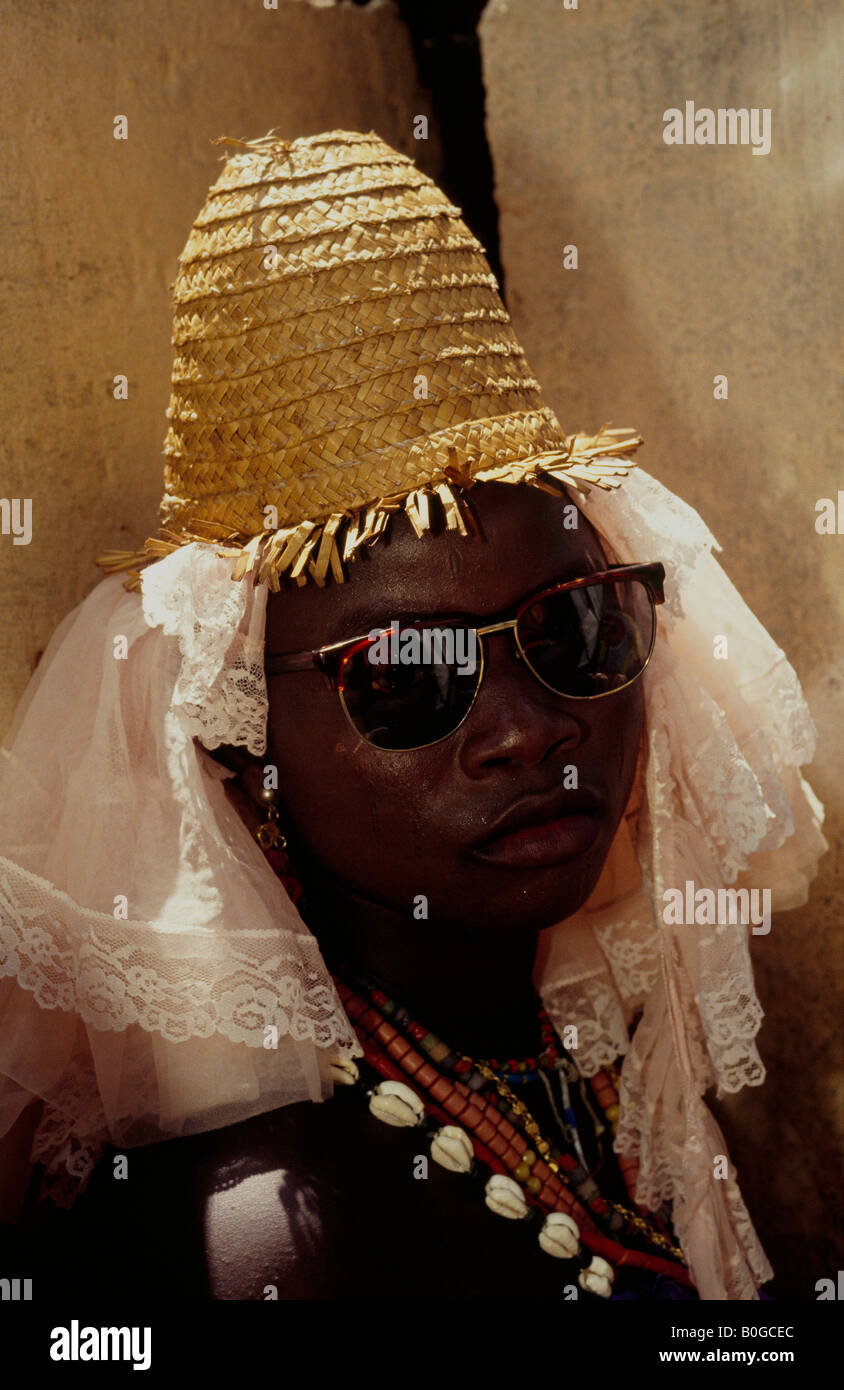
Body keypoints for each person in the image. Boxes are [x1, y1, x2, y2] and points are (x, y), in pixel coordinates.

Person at [0, 130, 826, 1302]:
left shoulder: (582, 1067)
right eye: (406, 679)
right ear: (243, 748)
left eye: (576, 629)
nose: (528, 728)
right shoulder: (283, 1234)